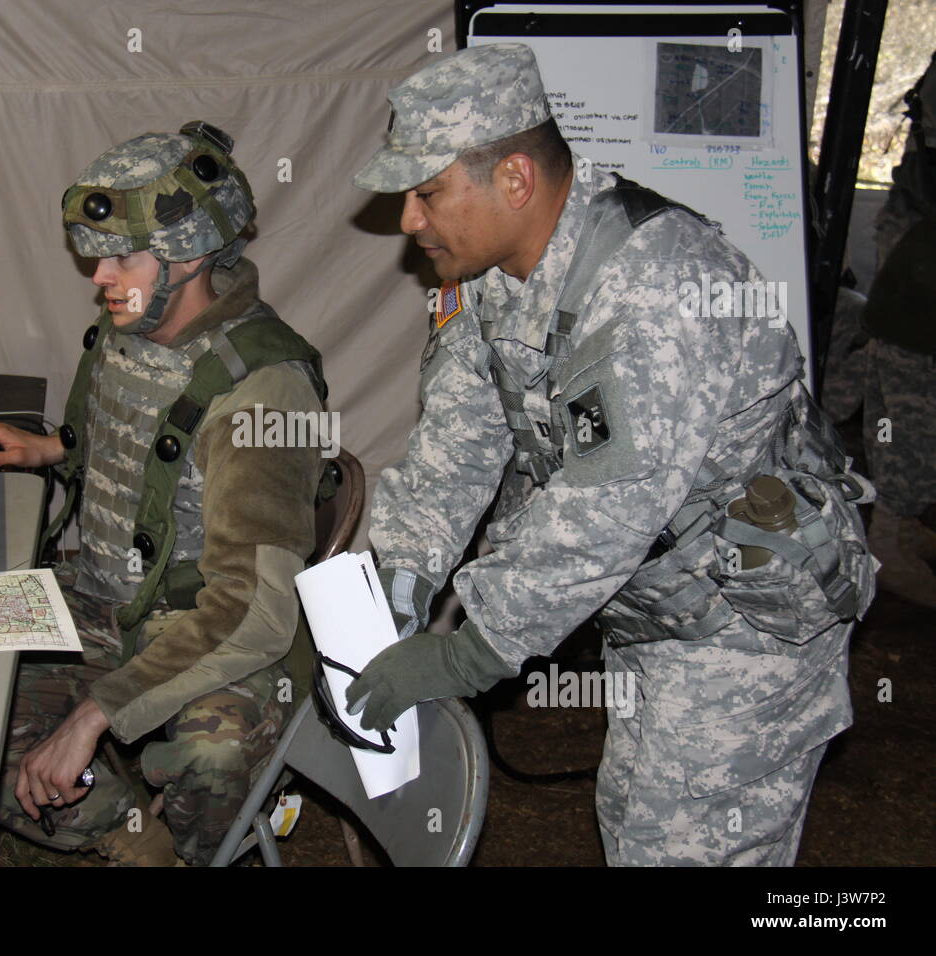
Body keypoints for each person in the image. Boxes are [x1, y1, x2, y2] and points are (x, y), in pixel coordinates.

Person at [344, 44, 876, 865]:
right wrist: (402, 584)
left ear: (514, 180)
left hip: (744, 637)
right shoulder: (489, 279)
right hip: (658, 618)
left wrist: (467, 653)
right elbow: (459, 439)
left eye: (426, 192)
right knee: (636, 834)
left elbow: (606, 505)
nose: (408, 220)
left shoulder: (658, 285)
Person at [0, 122, 325, 865]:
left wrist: (98, 711)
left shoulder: (266, 391)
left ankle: (187, 846)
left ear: (189, 256)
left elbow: (254, 609)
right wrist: (52, 447)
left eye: (121, 256)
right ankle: (138, 842)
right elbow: (133, 439)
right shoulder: (133, 324)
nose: (99, 277)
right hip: (107, 597)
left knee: (209, 758)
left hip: (209, 622)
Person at [862, 51, 936, 606]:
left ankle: (901, 526)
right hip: (918, 286)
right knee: (911, 417)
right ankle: (887, 536)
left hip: (913, 270)